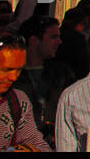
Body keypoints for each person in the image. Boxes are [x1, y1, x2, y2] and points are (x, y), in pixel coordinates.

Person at [11, 15, 74, 147]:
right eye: (53, 37)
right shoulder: (11, 76)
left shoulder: (62, 73)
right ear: (34, 41)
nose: (59, 42)